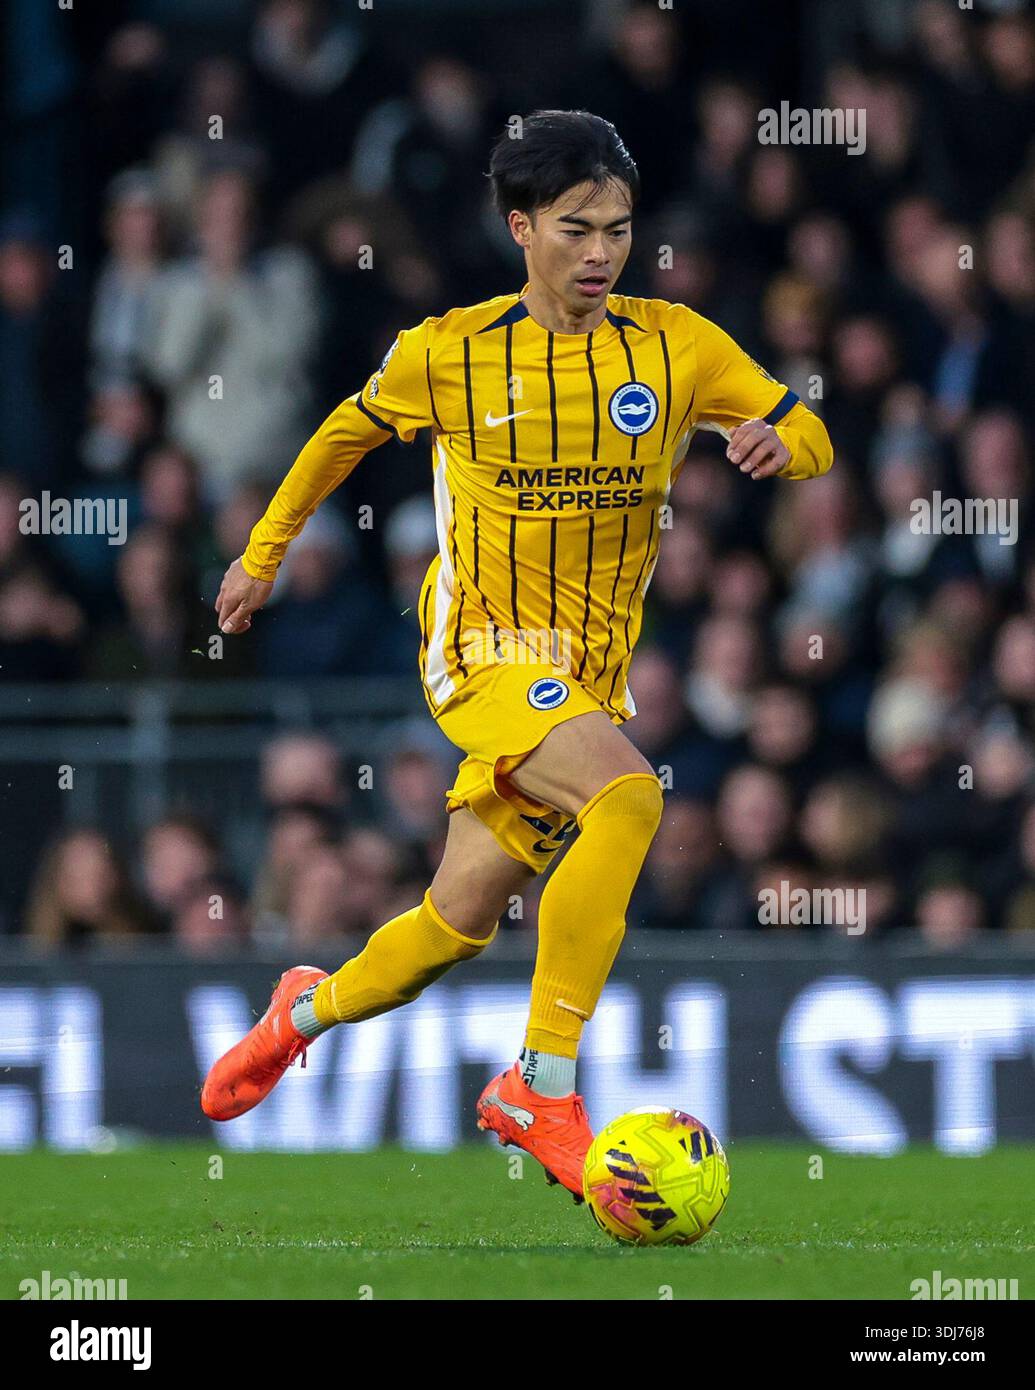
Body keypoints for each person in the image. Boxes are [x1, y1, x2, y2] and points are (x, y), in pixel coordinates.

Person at [200, 110, 833, 1198]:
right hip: (481, 654)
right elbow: (342, 431)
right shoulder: (450, 351)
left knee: (455, 925)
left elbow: (812, 429)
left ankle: (300, 1009)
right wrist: (263, 554)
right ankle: (541, 1083)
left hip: (583, 678)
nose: (602, 254)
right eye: (578, 228)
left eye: (621, 230)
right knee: (630, 800)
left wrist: (789, 443)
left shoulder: (675, 345)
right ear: (521, 227)